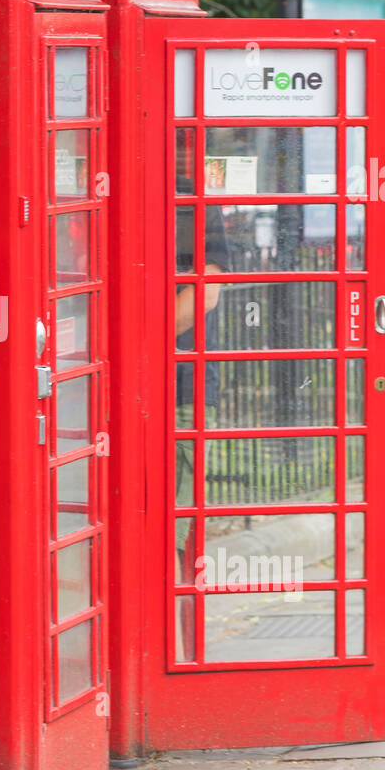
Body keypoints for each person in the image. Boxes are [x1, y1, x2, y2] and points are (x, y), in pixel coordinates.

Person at [174, 173, 230, 597]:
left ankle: (166, 648)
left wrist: (137, 345)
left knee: (168, 533)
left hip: (182, 387)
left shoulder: (194, 199)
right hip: (106, 389)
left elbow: (206, 291)